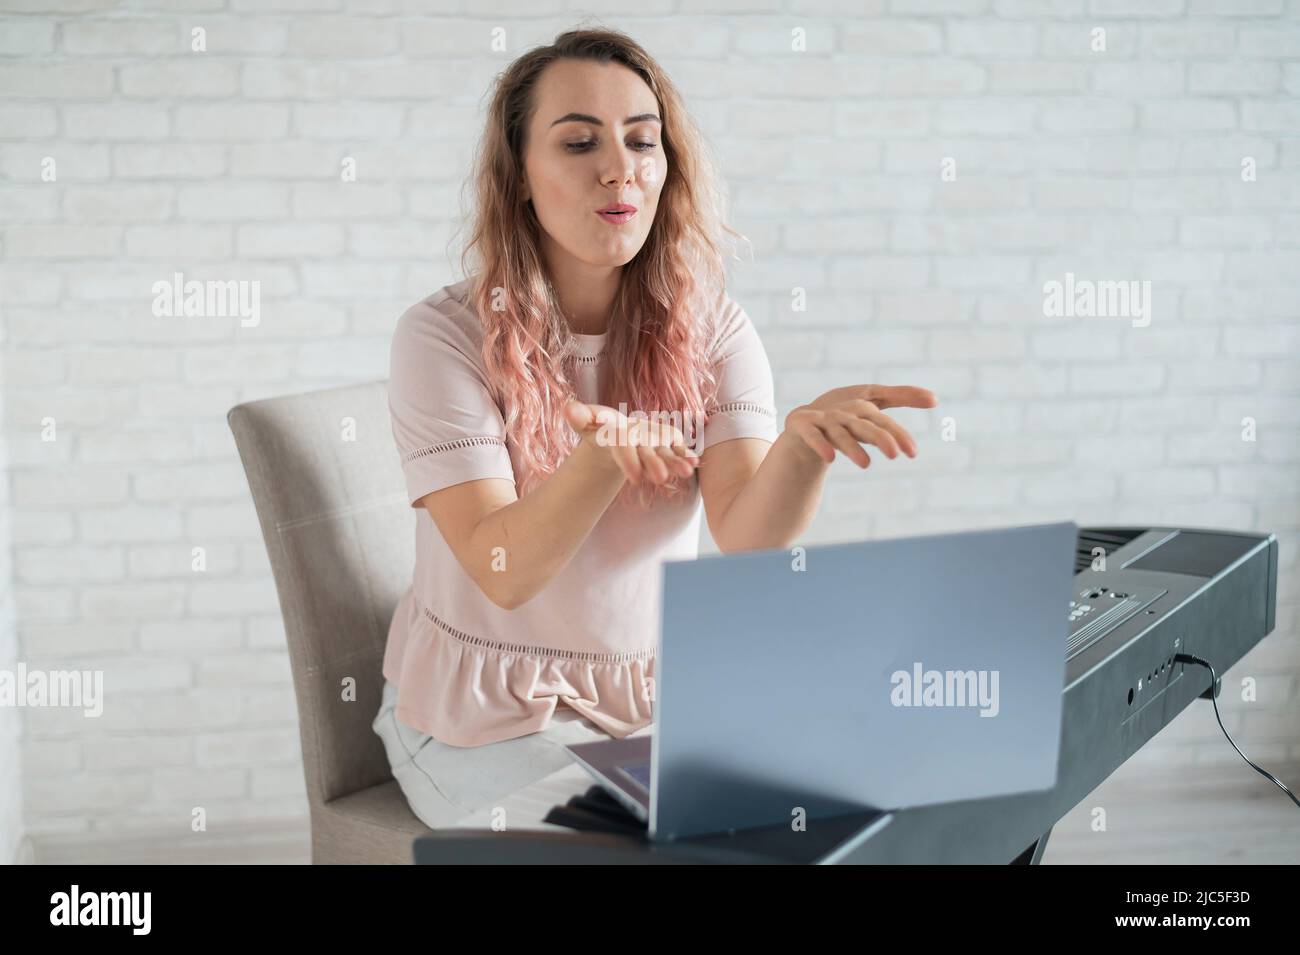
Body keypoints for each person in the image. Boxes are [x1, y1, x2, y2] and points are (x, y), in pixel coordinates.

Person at [372, 27, 938, 831]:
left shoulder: (715, 331)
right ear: (520, 178)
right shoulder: (443, 336)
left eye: (643, 140)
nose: (619, 167)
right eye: (578, 142)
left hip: (650, 706)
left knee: (857, 802)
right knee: (634, 844)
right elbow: (502, 568)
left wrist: (804, 449)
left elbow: (746, 532)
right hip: (482, 718)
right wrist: (598, 461)